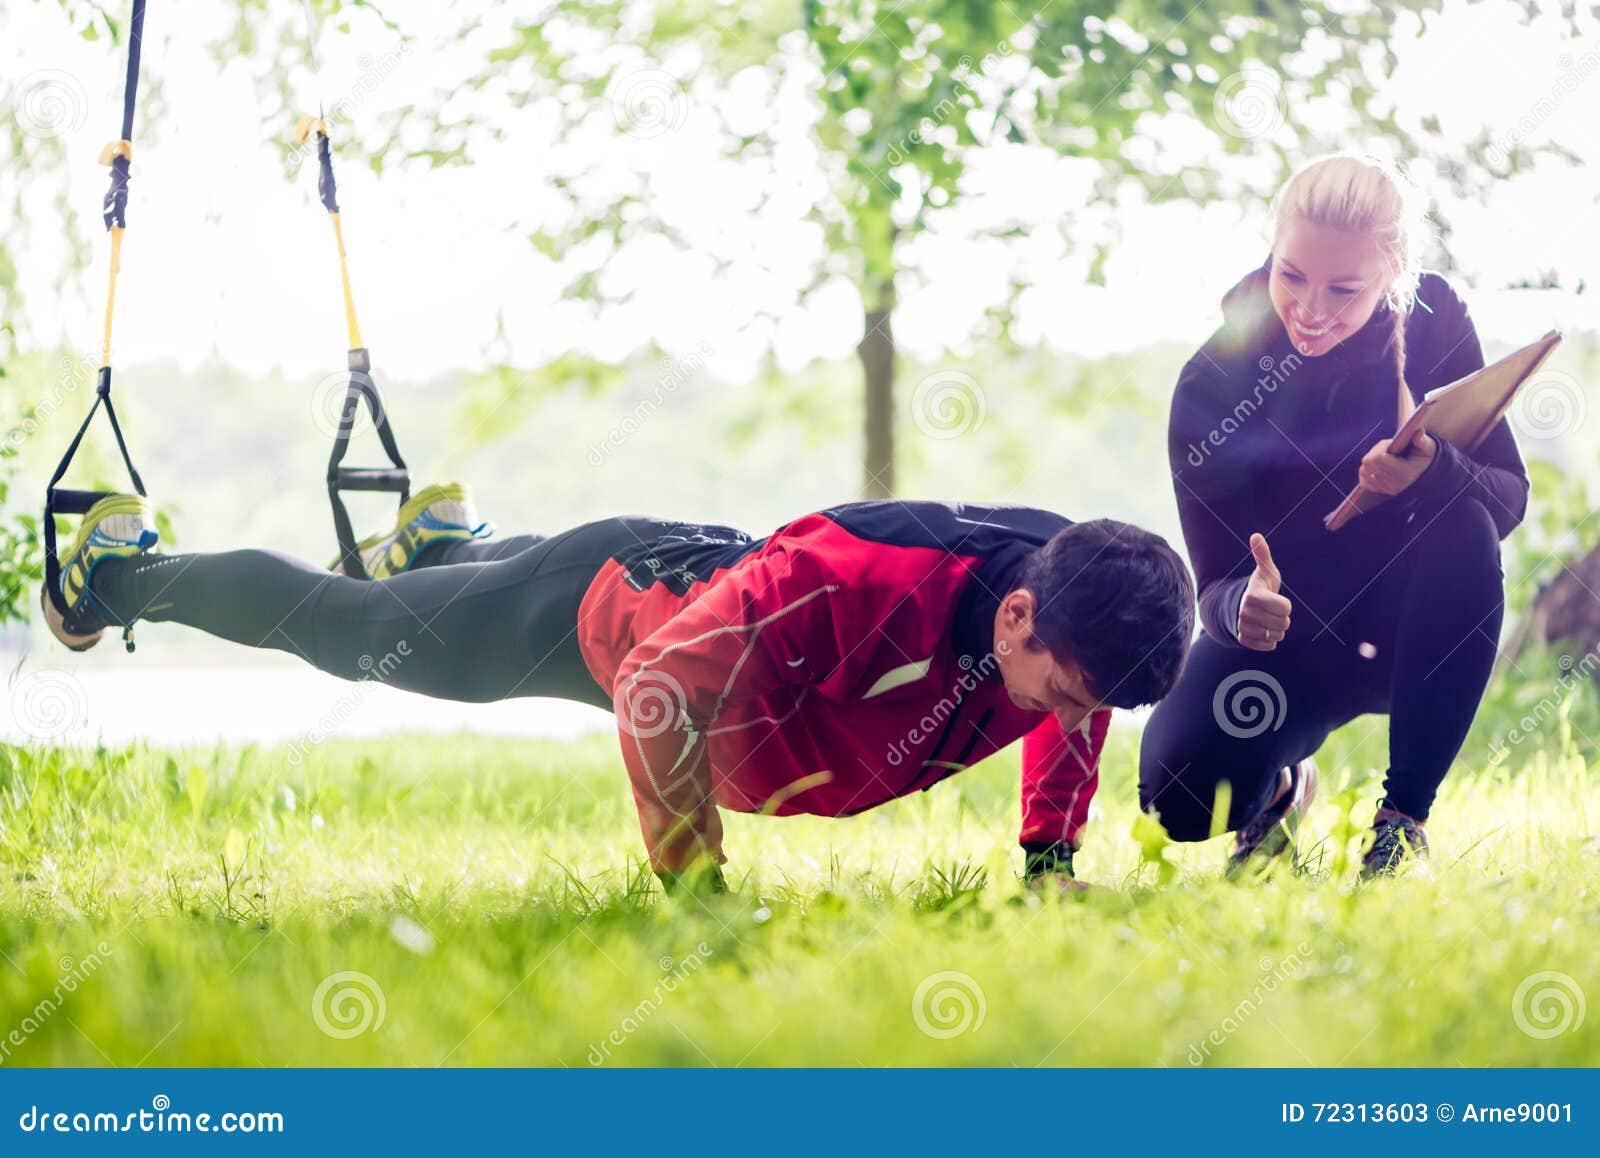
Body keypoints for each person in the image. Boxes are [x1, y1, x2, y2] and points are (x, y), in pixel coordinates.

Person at [42, 485, 1195, 893]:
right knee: (354, 632)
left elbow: (1077, 702)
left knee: (444, 597)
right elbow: (656, 690)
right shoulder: (853, 582)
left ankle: (441, 546)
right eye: (1067, 695)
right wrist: (694, 886)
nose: (1069, 723)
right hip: (600, 614)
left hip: (696, 591)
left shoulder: (1070, 611)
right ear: (1015, 617)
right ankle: (116, 570)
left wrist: (1048, 863)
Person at [1141, 154, 1529, 878]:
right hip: (1286, 648)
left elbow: (1508, 497)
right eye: (1291, 276)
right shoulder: (1214, 378)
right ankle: (1279, 794)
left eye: (1344, 289)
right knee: (1179, 796)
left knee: (1463, 521)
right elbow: (1214, 583)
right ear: (1272, 251)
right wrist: (1241, 605)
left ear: (1393, 275)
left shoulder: (1433, 318)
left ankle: (1402, 822)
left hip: (1410, 633)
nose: (1311, 309)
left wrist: (1435, 469)